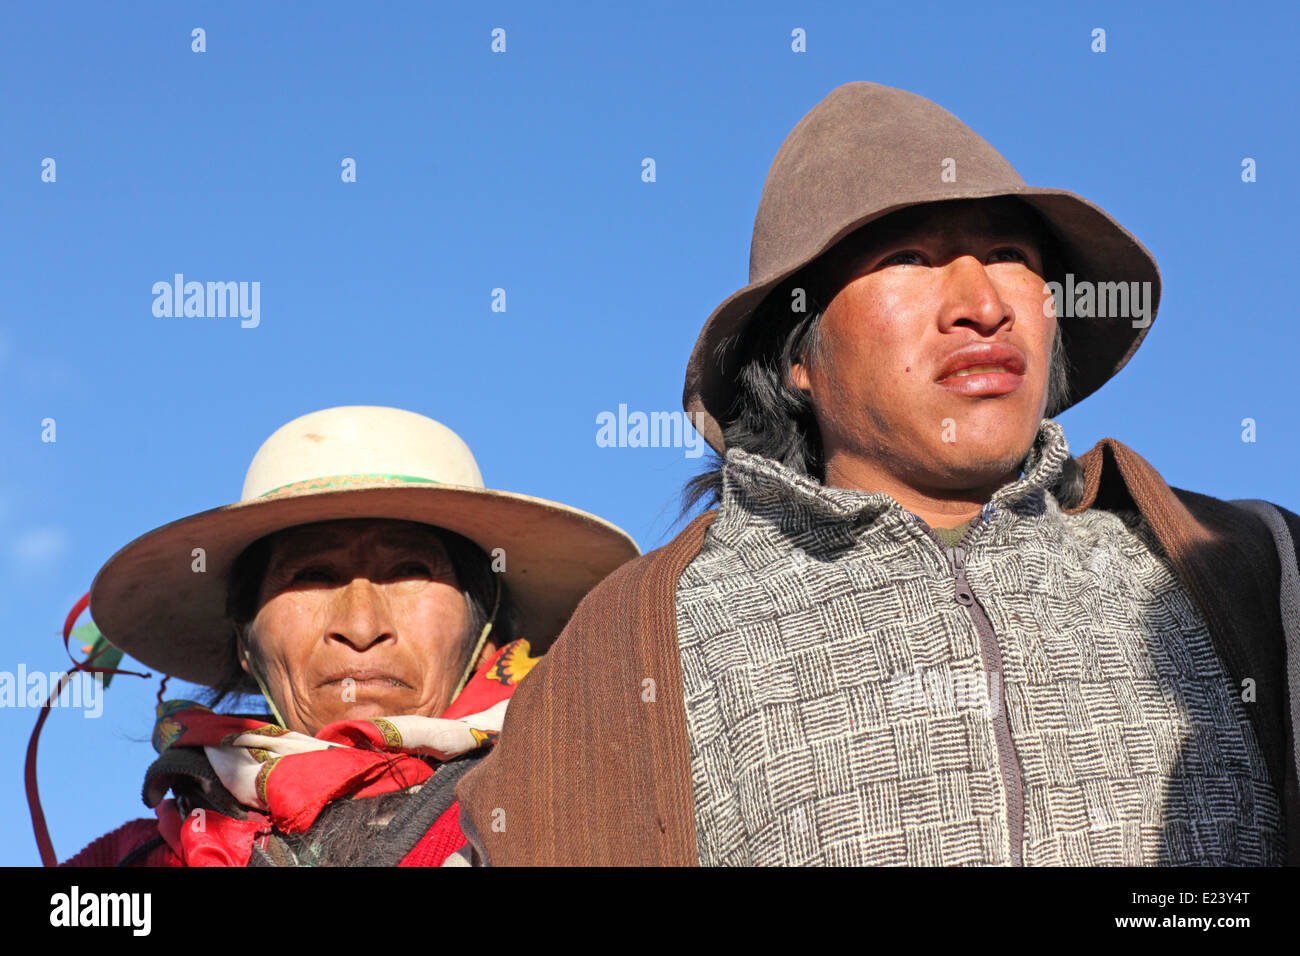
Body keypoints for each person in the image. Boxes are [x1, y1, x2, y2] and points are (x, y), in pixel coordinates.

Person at [457, 81, 1300, 866]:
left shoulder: (1231, 569)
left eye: (1009, 253)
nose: (982, 302)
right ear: (796, 356)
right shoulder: (640, 642)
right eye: (907, 258)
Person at [61, 405, 638, 866]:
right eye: (312, 576)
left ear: (484, 632)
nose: (361, 627)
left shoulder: (599, 817)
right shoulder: (128, 866)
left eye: (411, 571)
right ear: (245, 642)